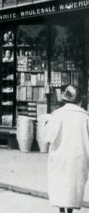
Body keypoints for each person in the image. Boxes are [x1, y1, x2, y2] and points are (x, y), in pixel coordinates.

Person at [44, 85, 89, 213]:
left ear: (64, 99)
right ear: (79, 100)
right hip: (79, 158)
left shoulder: (56, 115)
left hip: (60, 157)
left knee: (61, 186)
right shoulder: (85, 117)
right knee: (73, 188)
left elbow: (47, 137)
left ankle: (62, 211)